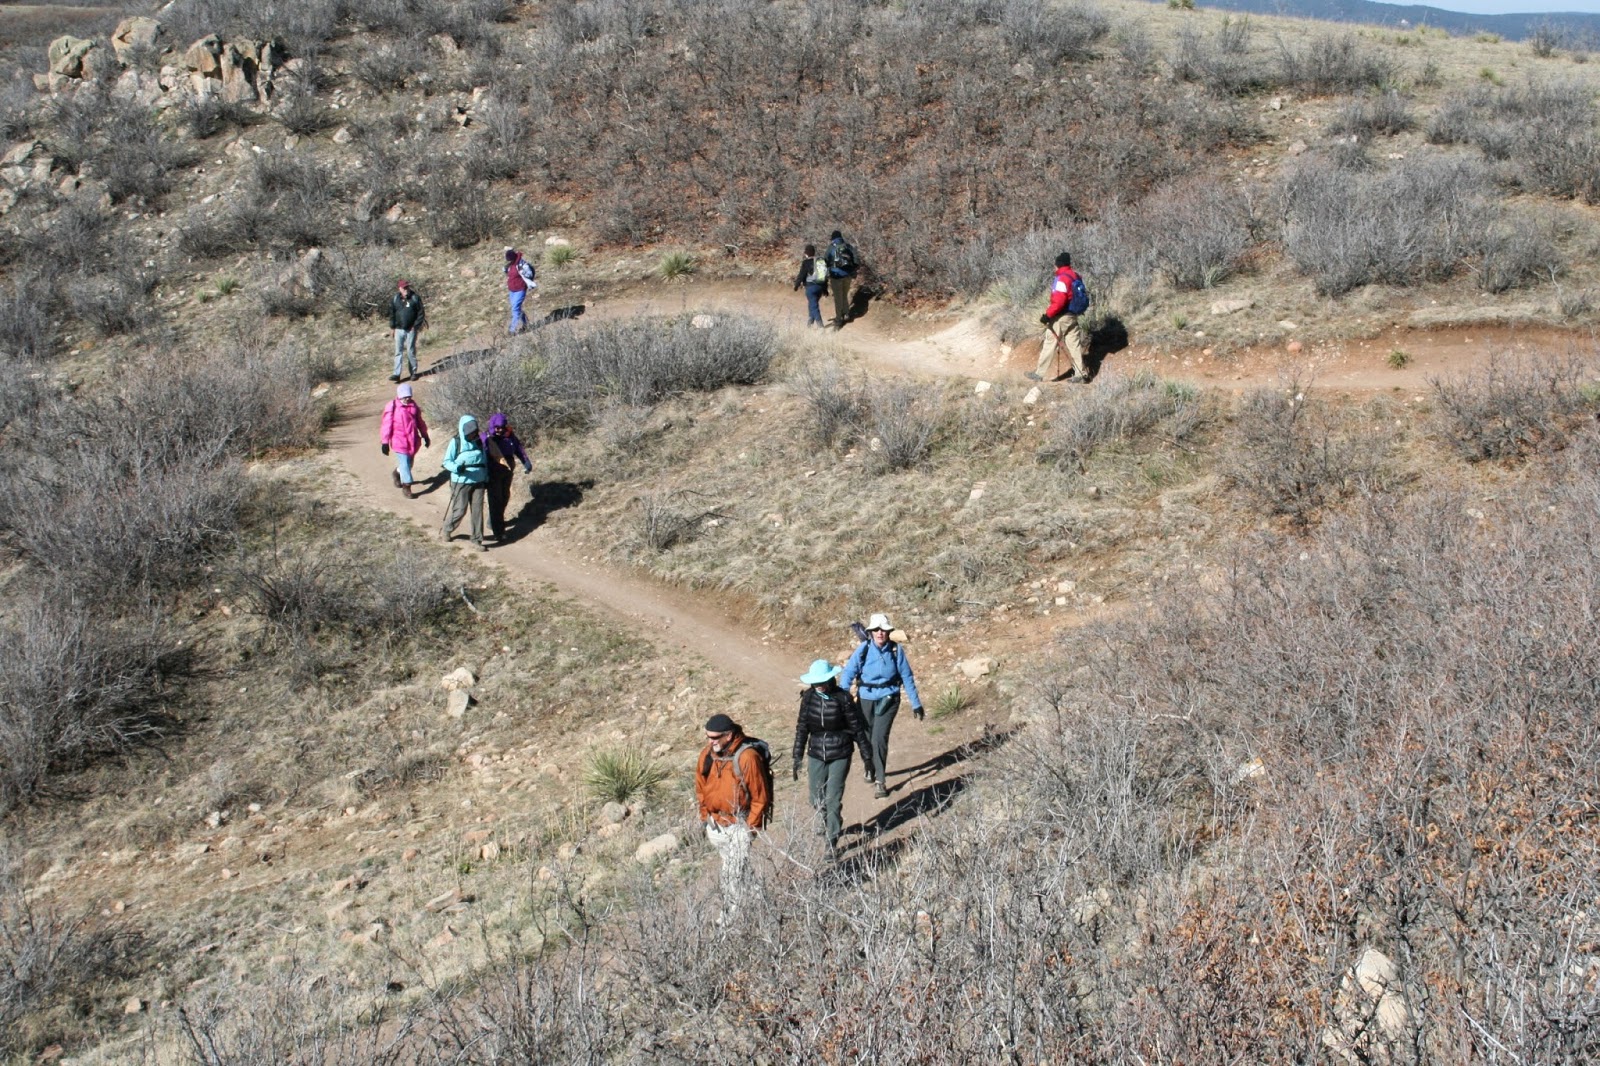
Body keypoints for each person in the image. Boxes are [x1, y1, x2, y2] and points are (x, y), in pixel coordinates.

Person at [791, 659, 872, 859]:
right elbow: (802, 728)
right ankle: (824, 824)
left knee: (833, 799)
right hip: (816, 753)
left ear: (831, 678)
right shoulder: (808, 698)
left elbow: (857, 729)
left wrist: (867, 757)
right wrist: (797, 757)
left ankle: (831, 841)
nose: (820, 684)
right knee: (815, 798)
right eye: (816, 681)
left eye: (823, 680)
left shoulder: (843, 699)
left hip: (840, 753)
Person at [695, 714, 772, 920]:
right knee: (739, 869)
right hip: (716, 824)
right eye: (708, 737)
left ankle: (729, 919)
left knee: (730, 875)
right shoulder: (707, 755)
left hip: (740, 824)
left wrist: (750, 828)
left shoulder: (748, 757)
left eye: (715, 737)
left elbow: (760, 796)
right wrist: (706, 817)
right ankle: (763, 903)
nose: (711, 742)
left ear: (728, 736)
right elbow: (701, 789)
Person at [841, 613, 923, 799]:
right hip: (865, 699)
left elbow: (907, 677)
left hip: (889, 699)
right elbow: (848, 674)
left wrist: (915, 703)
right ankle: (869, 766)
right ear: (870, 632)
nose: (880, 633)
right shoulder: (863, 650)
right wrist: (842, 699)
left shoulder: (896, 651)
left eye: (883, 629)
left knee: (879, 738)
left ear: (888, 631)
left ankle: (880, 781)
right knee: (866, 737)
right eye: (876, 629)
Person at [1030, 251, 1089, 384]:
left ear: (1058, 265)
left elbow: (1060, 300)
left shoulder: (1062, 278)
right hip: (1073, 315)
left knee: (1050, 343)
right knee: (1074, 345)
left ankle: (1039, 374)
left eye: (1054, 265)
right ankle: (1081, 374)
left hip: (1061, 316)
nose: (1053, 267)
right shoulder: (1076, 276)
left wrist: (1047, 315)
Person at [440, 414, 490, 551]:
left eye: (474, 432)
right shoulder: (455, 442)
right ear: (463, 431)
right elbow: (446, 462)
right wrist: (457, 468)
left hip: (479, 480)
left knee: (477, 511)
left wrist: (486, 477)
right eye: (470, 433)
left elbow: (484, 461)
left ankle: (477, 540)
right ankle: (447, 529)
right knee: (460, 509)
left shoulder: (479, 441)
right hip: (461, 481)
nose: (473, 435)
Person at [481, 412, 532, 541]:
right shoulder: (485, 437)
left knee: (504, 497)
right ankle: (499, 531)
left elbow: (518, 449)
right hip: (492, 473)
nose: (499, 430)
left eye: (502, 427)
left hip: (507, 471)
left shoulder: (510, 436)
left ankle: (493, 521)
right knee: (495, 500)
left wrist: (526, 462)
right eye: (497, 427)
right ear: (492, 426)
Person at [378, 382, 430, 499]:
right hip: (399, 441)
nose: (407, 398)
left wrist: (425, 435)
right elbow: (386, 425)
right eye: (405, 396)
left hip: (413, 441)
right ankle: (407, 486)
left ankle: (396, 473)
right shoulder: (392, 407)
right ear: (400, 396)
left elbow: (420, 422)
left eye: (409, 396)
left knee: (408, 464)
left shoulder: (414, 406)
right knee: (405, 464)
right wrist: (385, 442)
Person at [389, 279, 426, 382]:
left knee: (410, 351)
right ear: (400, 288)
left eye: (407, 287)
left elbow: (421, 313)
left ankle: (413, 372)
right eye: (404, 288)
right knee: (398, 352)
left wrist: (415, 326)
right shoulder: (395, 299)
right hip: (398, 329)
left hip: (411, 329)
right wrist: (392, 328)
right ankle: (396, 374)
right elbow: (392, 314)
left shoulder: (415, 298)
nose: (406, 289)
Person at [824, 229, 859, 330]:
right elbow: (857, 261)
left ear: (833, 239)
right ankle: (846, 314)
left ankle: (839, 320)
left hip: (836, 276)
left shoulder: (831, 248)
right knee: (844, 294)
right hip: (847, 276)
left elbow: (825, 261)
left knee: (838, 298)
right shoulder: (848, 246)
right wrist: (851, 271)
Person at [793, 243, 829, 328]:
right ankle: (810, 324)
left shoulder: (806, 262)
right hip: (820, 287)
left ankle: (821, 327)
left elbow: (801, 275)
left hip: (810, 287)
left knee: (814, 306)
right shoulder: (820, 261)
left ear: (806, 253)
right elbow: (824, 277)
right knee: (812, 304)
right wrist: (825, 289)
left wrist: (796, 285)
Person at [504, 247, 537, 335]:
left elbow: (529, 274)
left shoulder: (522, 265)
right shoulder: (510, 265)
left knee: (515, 308)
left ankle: (512, 329)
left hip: (520, 289)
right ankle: (526, 324)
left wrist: (524, 273)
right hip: (512, 290)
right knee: (516, 308)